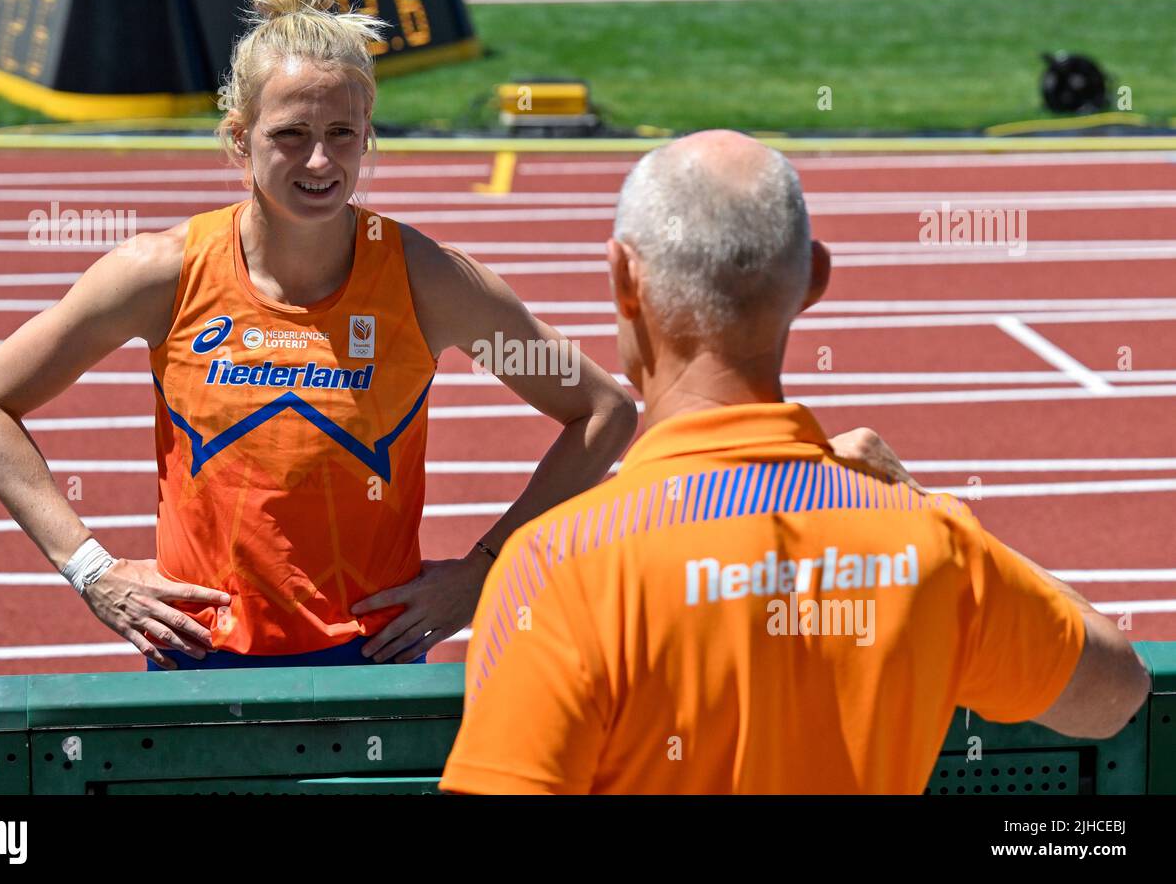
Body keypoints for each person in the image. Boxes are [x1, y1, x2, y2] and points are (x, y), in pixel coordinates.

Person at [0, 0, 636, 671]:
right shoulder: (163, 274)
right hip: (199, 665)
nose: (320, 161)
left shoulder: (423, 281)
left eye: (342, 134)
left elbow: (603, 412)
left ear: (368, 135)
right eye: (290, 135)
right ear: (239, 140)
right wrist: (90, 569)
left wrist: (483, 571)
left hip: (369, 666)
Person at [439, 130, 1151, 794]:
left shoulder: (558, 566)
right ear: (815, 278)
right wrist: (930, 512)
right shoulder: (933, 547)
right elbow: (1115, 694)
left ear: (623, 276)